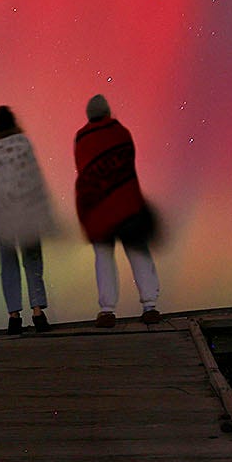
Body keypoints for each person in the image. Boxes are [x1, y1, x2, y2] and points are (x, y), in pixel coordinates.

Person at [74, 93, 161, 327]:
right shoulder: (121, 133)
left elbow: (84, 171)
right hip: (126, 203)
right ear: (107, 111)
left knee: (103, 258)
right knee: (138, 252)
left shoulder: (81, 139)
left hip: (98, 208)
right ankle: (150, 306)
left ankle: (107, 310)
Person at [0, 105, 56, 334]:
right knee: (33, 261)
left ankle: (14, 316)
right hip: (25, 212)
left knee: (8, 265)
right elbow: (34, 178)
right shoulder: (22, 143)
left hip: (2, 216)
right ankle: (37, 312)